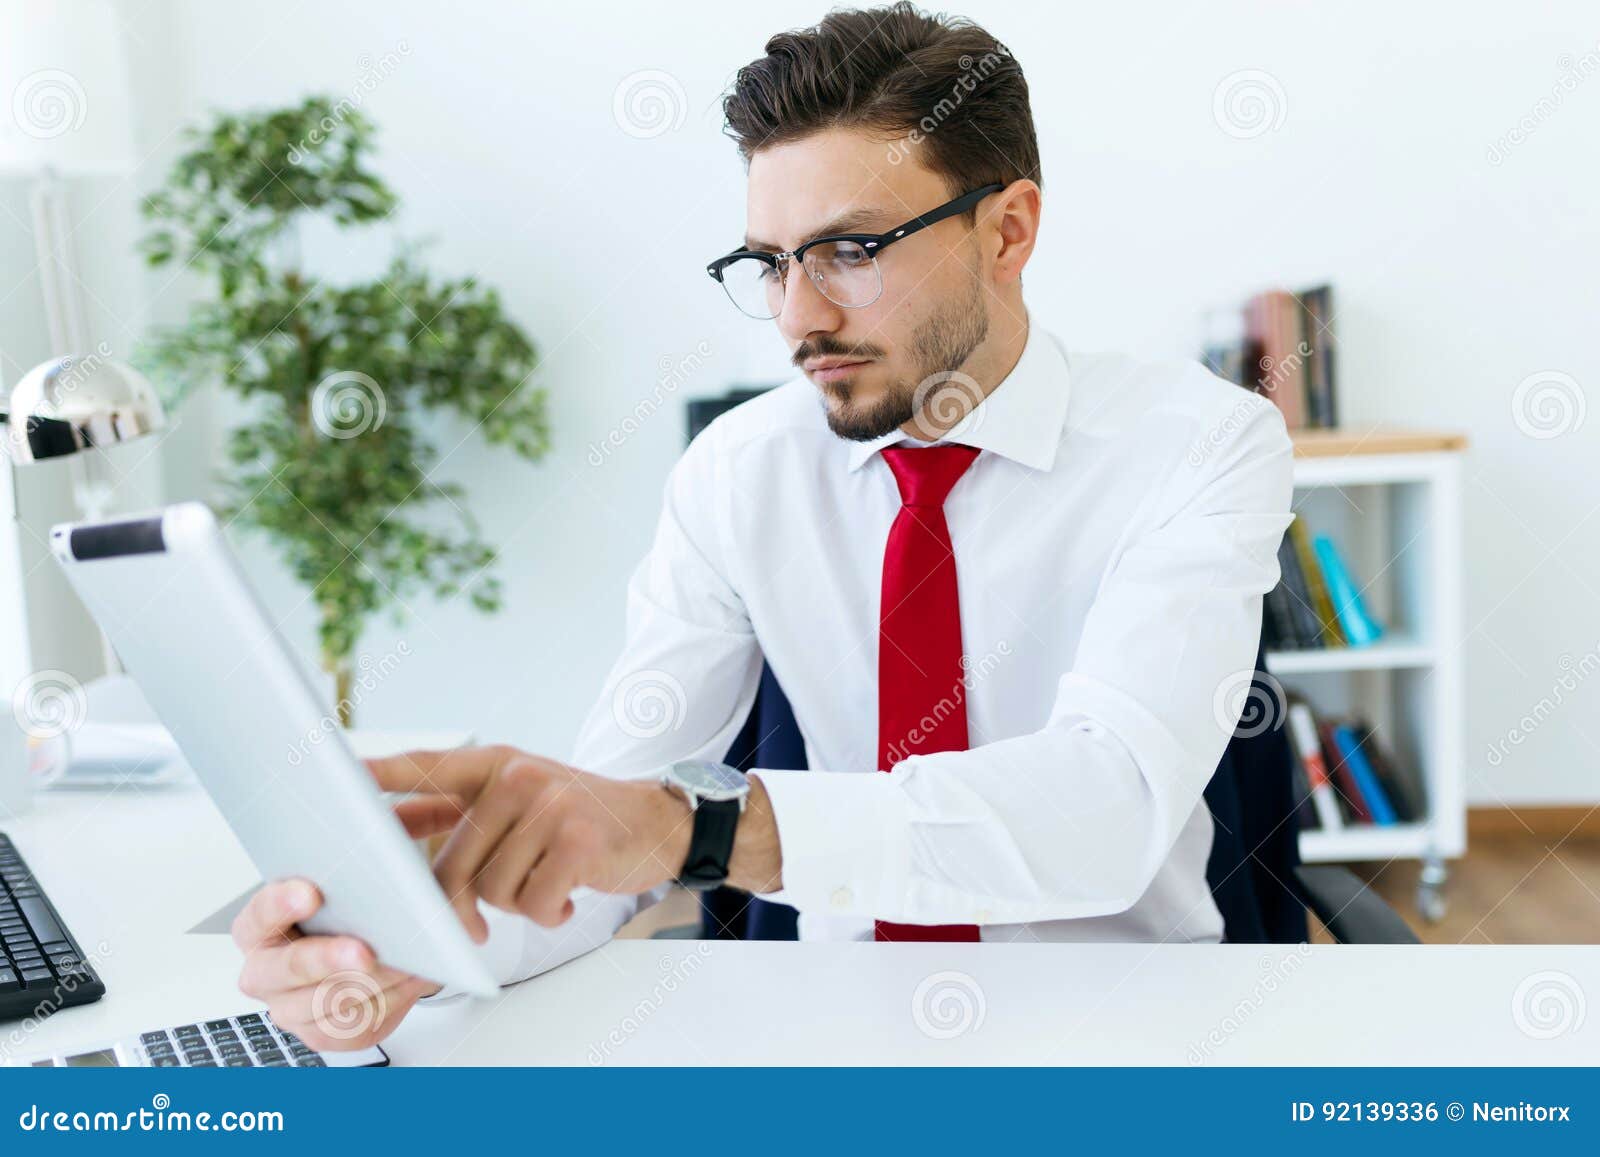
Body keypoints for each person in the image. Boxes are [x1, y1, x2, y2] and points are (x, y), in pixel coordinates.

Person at [233, 1, 1293, 1051]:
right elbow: (606, 857)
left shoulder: (1198, 442)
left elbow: (1107, 806)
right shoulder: (740, 472)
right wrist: (404, 953)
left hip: (1125, 1030)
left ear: (1008, 228)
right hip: (830, 1027)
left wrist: (695, 828)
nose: (798, 316)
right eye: (772, 263)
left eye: (851, 250)